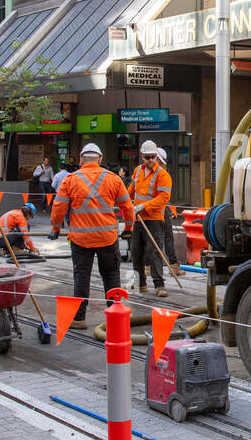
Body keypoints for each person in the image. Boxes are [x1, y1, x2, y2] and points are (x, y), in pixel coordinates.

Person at [49, 143, 134, 329]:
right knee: (111, 276)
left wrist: (55, 228)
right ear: (100, 159)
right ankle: (115, 318)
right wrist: (128, 228)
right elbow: (128, 208)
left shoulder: (70, 180)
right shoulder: (114, 179)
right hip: (107, 238)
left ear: (80, 160)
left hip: (81, 240)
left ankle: (79, 318)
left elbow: (58, 207)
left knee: (81, 276)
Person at [129, 140, 173, 297]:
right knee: (136, 251)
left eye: (153, 157)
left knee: (154, 251)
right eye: (147, 157)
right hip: (138, 219)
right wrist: (127, 204)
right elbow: (131, 190)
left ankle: (159, 285)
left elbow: (163, 198)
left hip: (154, 219)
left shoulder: (163, 175)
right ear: (142, 157)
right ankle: (140, 283)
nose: (151, 160)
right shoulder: (138, 171)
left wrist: (142, 207)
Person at [156, 147, 179, 264]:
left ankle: (149, 266)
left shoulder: (148, 173)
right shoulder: (162, 174)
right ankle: (173, 264)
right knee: (165, 237)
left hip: (156, 210)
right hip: (158, 210)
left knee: (156, 238)